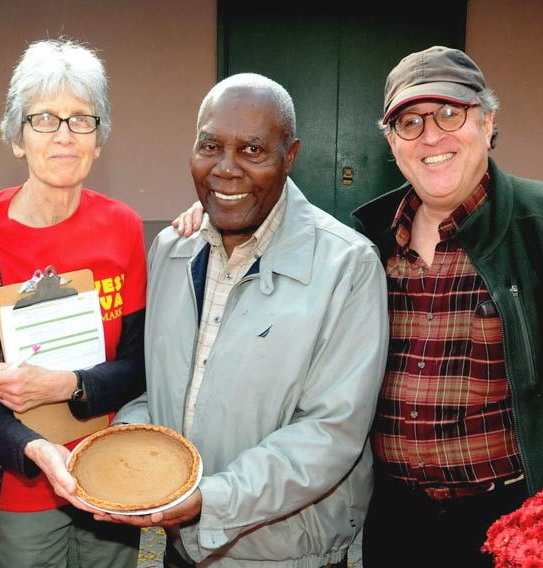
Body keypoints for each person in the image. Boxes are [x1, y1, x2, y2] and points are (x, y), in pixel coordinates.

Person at [103, 73, 388, 567]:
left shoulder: (348, 265)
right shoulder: (172, 250)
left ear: (290, 156)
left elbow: (330, 431)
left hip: (287, 553)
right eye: (210, 146)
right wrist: (124, 450)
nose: (225, 170)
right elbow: (160, 388)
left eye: (253, 150)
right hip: (180, 545)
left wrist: (211, 501)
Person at [350, 46, 543, 567]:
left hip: (512, 523)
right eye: (409, 121)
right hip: (395, 522)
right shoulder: (364, 244)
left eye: (450, 113)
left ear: (488, 122)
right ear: (392, 142)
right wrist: (214, 213)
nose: (430, 136)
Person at [0, 38, 146, 568]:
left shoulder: (123, 226)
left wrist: (68, 386)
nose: (65, 136)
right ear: (17, 138)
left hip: (108, 472)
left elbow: (141, 364)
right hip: (17, 484)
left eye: (81, 120)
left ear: (100, 140)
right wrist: (34, 449)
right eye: (45, 119)